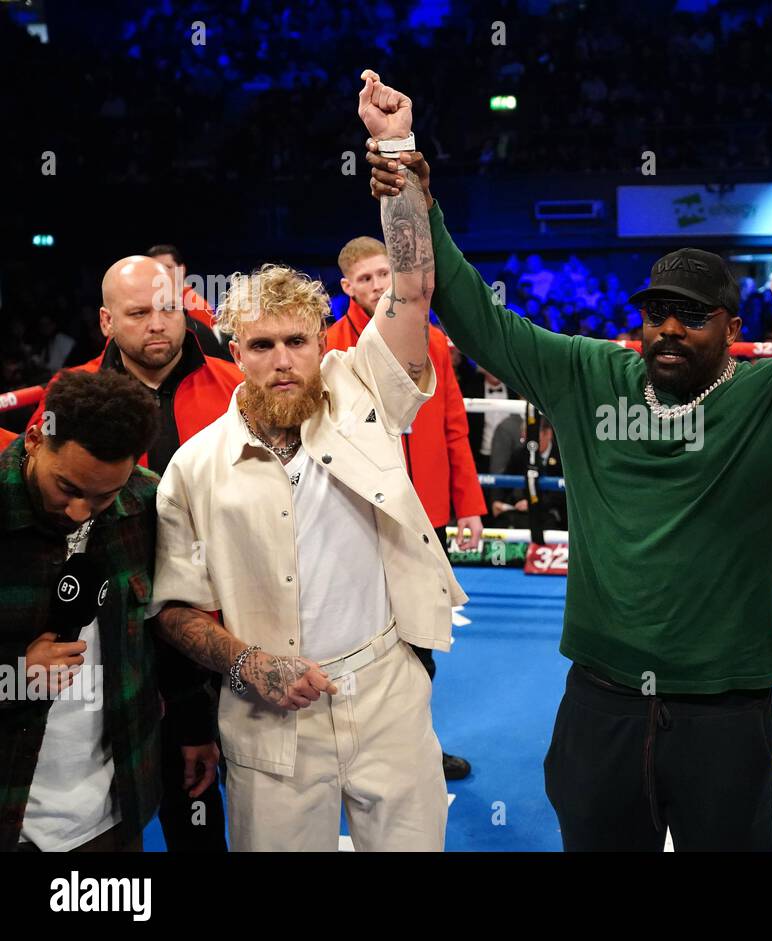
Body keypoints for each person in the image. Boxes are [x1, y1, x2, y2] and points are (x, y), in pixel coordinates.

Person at [365, 62, 772, 850]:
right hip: (600, 701)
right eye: (657, 312)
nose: (667, 328)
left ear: (731, 328)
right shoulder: (589, 374)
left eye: (691, 317)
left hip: (725, 709)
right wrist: (409, 184)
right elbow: (473, 317)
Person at [149, 70, 466, 851]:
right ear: (235, 349)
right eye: (263, 344)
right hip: (267, 712)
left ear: (322, 342)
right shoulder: (194, 466)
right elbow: (175, 608)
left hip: (388, 689)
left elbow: (414, 289)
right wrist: (248, 663)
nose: (284, 359)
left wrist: (396, 148)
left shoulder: (363, 386)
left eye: (298, 340)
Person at [26, 254, 237, 851]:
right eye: (139, 312)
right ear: (106, 320)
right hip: (118, 633)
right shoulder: (69, 398)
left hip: (226, 622)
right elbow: (40, 513)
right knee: (113, 806)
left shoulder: (236, 390)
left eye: (168, 308)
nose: (158, 324)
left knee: (210, 807)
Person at [1, 370, 216, 852]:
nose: (80, 510)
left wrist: (194, 726)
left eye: (103, 495)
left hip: (112, 811)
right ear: (36, 438)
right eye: (68, 487)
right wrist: (14, 671)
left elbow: (166, 629)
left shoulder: (146, 503)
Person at [329, 235, 485, 781]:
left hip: (424, 515)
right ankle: (356, 747)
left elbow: (453, 427)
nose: (375, 286)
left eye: (383, 275)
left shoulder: (434, 342)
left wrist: (469, 506)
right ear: (346, 287)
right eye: (364, 279)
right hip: (355, 516)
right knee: (357, 633)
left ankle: (419, 747)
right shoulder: (329, 348)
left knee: (421, 633)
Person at [146, 243, 232, 362]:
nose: (162, 273)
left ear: (182, 270)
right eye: (155, 268)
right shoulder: (153, 302)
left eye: (168, 267)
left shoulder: (196, 305)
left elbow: (208, 352)